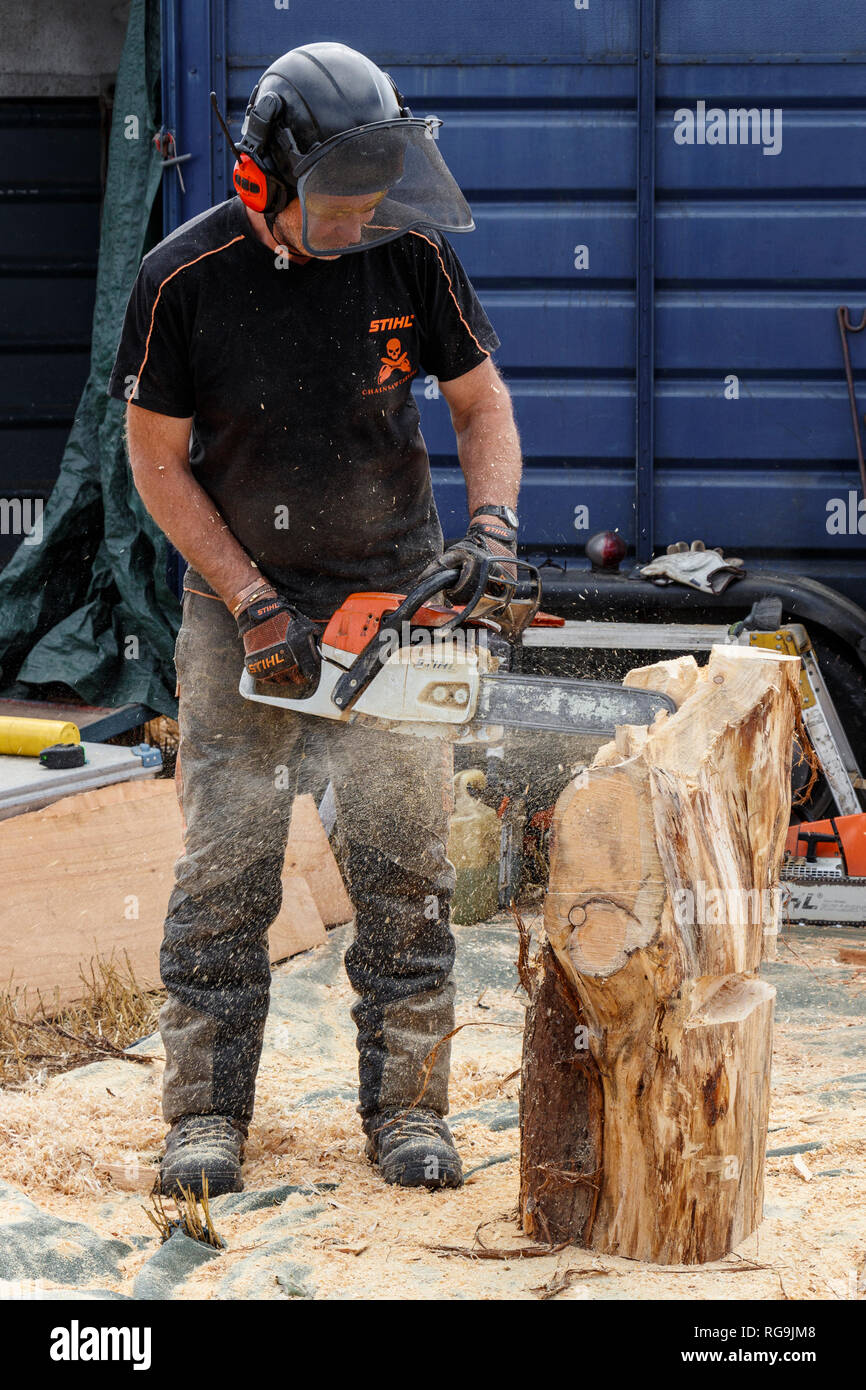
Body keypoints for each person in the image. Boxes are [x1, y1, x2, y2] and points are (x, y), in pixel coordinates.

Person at [108, 41, 523, 1196]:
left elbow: (480, 402)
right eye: (334, 210)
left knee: (404, 875)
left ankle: (409, 1113)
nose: (355, 226)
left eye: (369, 203)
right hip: (237, 599)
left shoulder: (412, 252)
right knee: (226, 870)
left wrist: (488, 531)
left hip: (394, 593)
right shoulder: (180, 280)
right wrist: (247, 599)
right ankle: (201, 1118)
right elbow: (154, 462)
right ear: (263, 185)